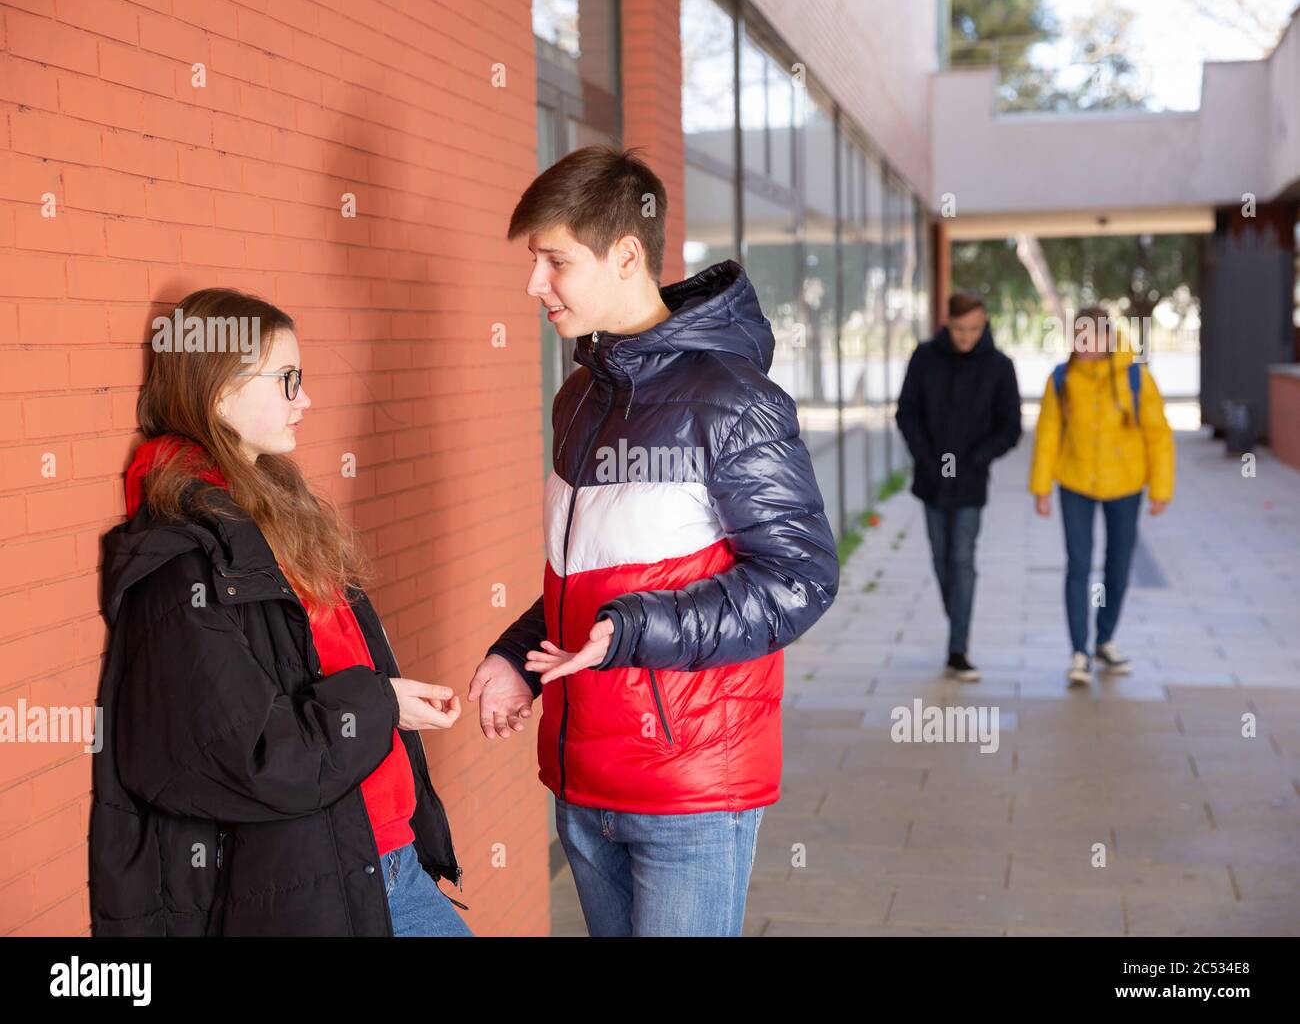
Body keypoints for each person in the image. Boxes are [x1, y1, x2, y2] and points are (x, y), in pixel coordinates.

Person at [465, 146, 839, 937]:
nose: (535, 285)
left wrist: (636, 629)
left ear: (626, 254)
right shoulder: (580, 399)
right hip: (584, 782)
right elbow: (589, 574)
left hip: (689, 790)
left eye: (553, 261)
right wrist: (517, 656)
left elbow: (799, 576)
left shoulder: (734, 400)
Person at [90, 288, 471, 936]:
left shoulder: (280, 512)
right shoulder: (183, 558)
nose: (306, 398)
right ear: (218, 393)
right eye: (287, 379)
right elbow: (245, 750)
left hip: (383, 859)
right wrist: (381, 705)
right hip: (324, 885)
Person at [1029, 305, 1175, 687]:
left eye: (1091, 337)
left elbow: (1158, 436)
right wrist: (1041, 487)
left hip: (1125, 486)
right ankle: (1079, 651)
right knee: (1078, 563)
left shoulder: (1136, 377)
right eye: (1078, 337)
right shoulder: (1061, 378)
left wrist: (1160, 489)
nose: (1084, 345)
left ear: (1108, 337)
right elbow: (1047, 434)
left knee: (1118, 564)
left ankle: (1105, 640)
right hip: (1075, 481)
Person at [895, 289, 1022, 682]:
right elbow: (907, 412)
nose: (966, 336)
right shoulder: (925, 357)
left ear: (983, 325)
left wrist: (978, 457)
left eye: (974, 329)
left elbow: (1010, 426)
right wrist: (926, 456)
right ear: (947, 323)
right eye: (960, 328)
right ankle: (959, 625)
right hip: (933, 476)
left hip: (969, 477)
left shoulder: (999, 366)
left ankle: (958, 648)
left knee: (962, 558)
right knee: (941, 558)